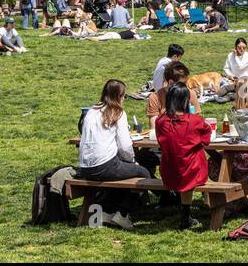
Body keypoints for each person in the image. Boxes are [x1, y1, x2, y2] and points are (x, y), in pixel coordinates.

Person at [76, 79, 149, 230]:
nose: (124, 99)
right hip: (104, 166)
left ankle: (108, 211)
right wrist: (132, 161)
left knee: (122, 172)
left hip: (84, 167)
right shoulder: (118, 112)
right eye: (124, 96)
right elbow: (125, 146)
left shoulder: (92, 111)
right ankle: (123, 214)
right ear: (118, 96)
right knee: (143, 174)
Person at [154, 82, 213, 229]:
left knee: (183, 164)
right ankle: (188, 213)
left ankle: (184, 212)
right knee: (195, 162)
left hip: (169, 171)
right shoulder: (195, 121)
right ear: (186, 100)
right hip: (192, 171)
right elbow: (206, 140)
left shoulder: (160, 121)